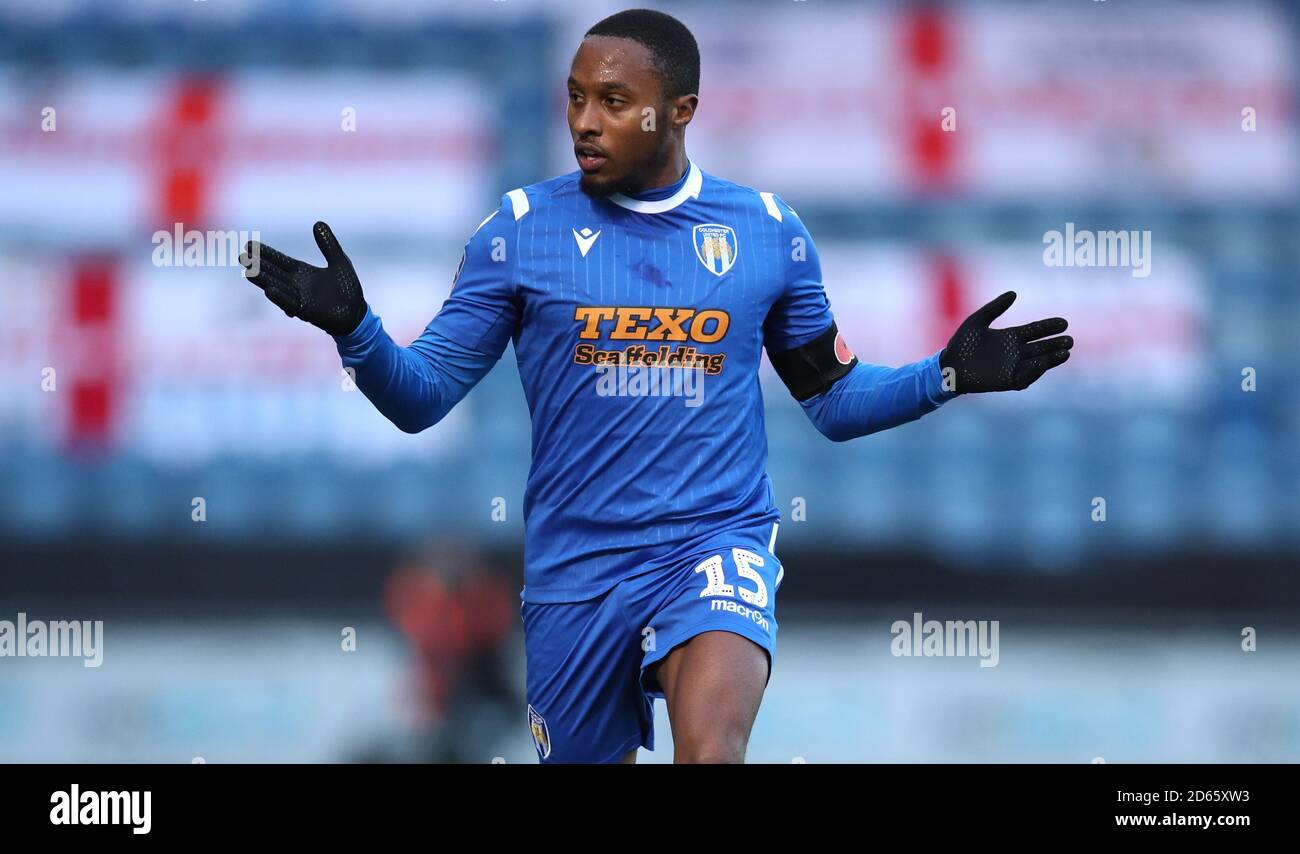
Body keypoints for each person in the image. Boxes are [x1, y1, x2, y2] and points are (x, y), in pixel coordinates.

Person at [238, 8, 1072, 763]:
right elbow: (420, 399)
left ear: (680, 110)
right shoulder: (520, 234)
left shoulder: (766, 233)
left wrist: (948, 374)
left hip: (712, 543)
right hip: (576, 571)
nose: (583, 124)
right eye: (573, 99)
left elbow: (832, 399)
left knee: (711, 751)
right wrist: (355, 328)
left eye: (611, 100)